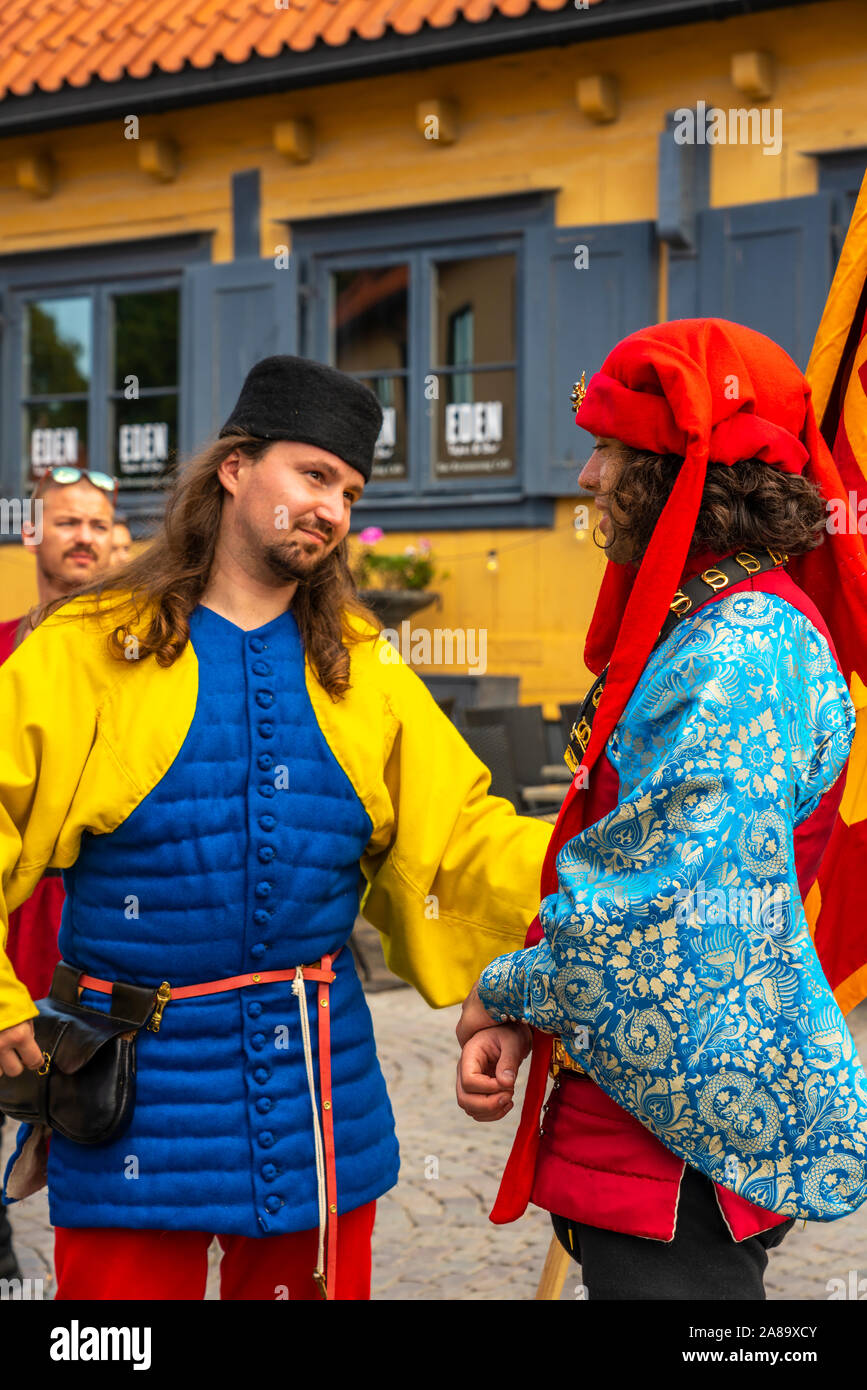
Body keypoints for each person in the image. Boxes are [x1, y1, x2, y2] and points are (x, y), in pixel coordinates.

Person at [0, 355, 552, 1301]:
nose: (332, 508)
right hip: (131, 1104)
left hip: (317, 1101)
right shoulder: (85, 649)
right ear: (234, 467)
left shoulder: (366, 669)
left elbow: (457, 840)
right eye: (312, 474)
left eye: (348, 489)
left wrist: (606, 874)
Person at [456, 318, 867, 1300]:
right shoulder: (718, 626)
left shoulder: (735, 654)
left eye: (610, 451)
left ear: (684, 473)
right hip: (650, 1115)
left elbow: (665, 913)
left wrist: (510, 988)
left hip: (675, 1144)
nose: (589, 478)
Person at [0, 466, 116, 1282]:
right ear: (33, 535)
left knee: (87, 1114)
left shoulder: (144, 653)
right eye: (66, 521)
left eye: (98, 524)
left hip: (96, 935)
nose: (83, 535)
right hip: (11, 919)